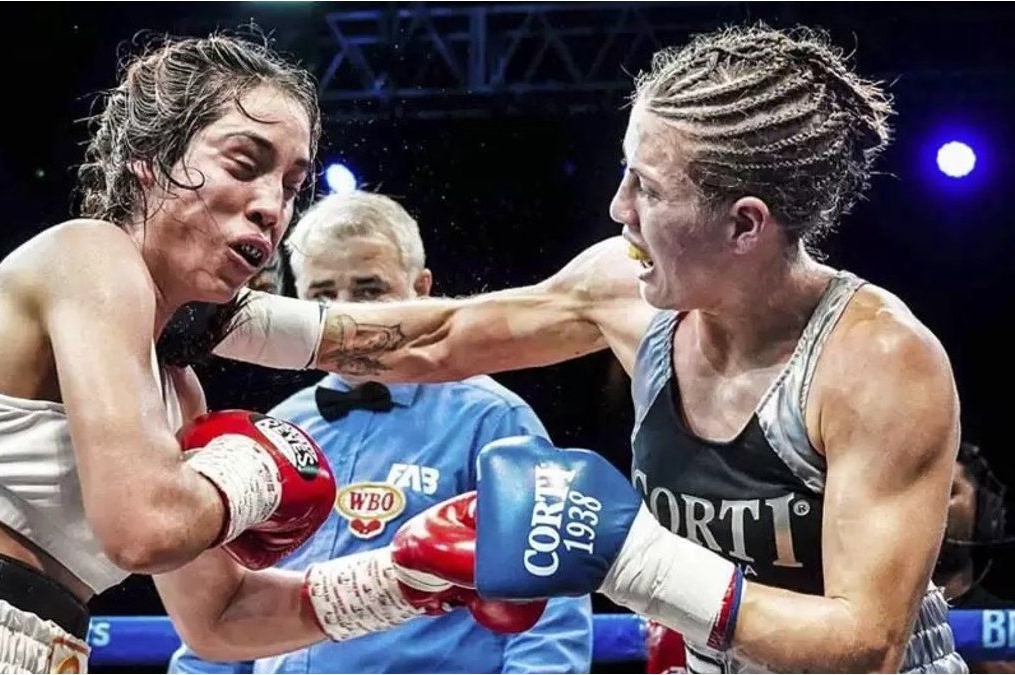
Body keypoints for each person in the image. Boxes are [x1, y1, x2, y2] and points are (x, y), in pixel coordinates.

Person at [197, 23, 966, 672]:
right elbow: (443, 336)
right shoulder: (623, 287)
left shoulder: (878, 360)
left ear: (745, 225)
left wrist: (634, 563)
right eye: (624, 171)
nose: (618, 206)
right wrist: (224, 318)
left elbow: (868, 640)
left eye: (650, 189)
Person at [0, 34, 539, 674]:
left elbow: (219, 619)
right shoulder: (87, 255)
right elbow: (145, 526)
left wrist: (405, 579)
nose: (270, 204)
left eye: (289, 185)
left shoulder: (177, 388)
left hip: (49, 647)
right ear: (150, 161)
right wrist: (257, 467)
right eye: (245, 162)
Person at [168, 191, 593, 675]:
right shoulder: (276, 429)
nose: (347, 316)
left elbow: (549, 606)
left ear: (421, 290)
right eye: (322, 295)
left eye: (369, 291)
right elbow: (227, 598)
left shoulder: (492, 421)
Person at [934, 441, 1014, 673]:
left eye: (946, 491)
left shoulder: (1005, 622)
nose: (926, 506)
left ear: (984, 513)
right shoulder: (864, 619)